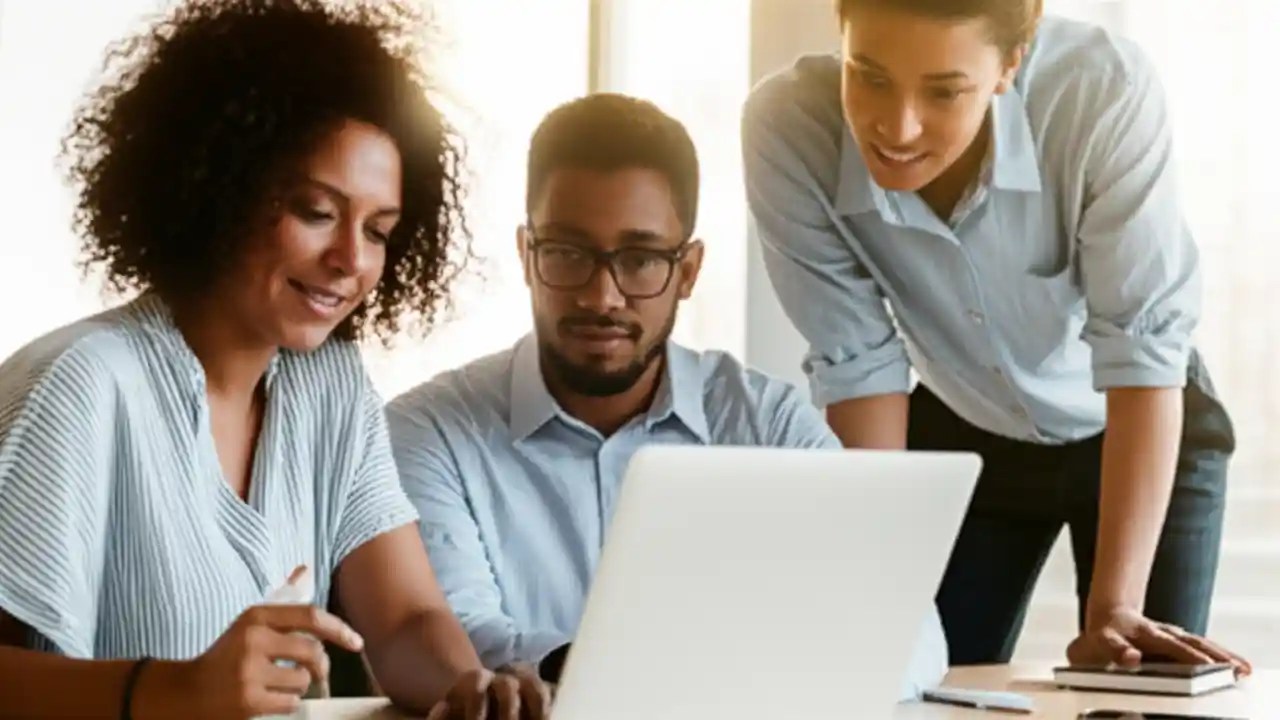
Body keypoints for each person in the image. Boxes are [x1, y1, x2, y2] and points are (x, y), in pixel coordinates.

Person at [0, 2, 547, 718]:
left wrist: (469, 688)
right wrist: (170, 690)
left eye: (379, 231)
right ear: (219, 187)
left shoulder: (331, 386)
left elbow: (408, 620)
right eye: (318, 212)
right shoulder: (80, 386)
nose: (352, 260)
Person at [741, 0, 1251, 672]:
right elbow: (859, 366)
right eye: (869, 75)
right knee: (912, 676)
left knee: (1144, 680)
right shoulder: (789, 130)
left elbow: (1142, 346)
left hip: (1135, 421)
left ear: (1011, 62)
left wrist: (1114, 609)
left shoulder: (1100, 93)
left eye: (945, 90)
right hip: (965, 426)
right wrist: (872, 602)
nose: (897, 127)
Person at [387, 93, 948, 701]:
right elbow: (454, 639)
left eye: (641, 259)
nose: (602, 295)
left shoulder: (767, 424)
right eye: (568, 253)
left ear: (688, 272)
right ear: (527, 255)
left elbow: (909, 631)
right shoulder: (428, 432)